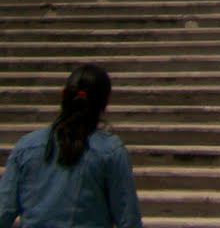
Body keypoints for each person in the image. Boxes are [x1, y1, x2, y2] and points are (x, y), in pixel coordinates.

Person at [0, 64, 142, 228]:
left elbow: (4, 211)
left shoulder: (26, 146)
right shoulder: (111, 151)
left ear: (63, 96)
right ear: (104, 103)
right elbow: (128, 219)